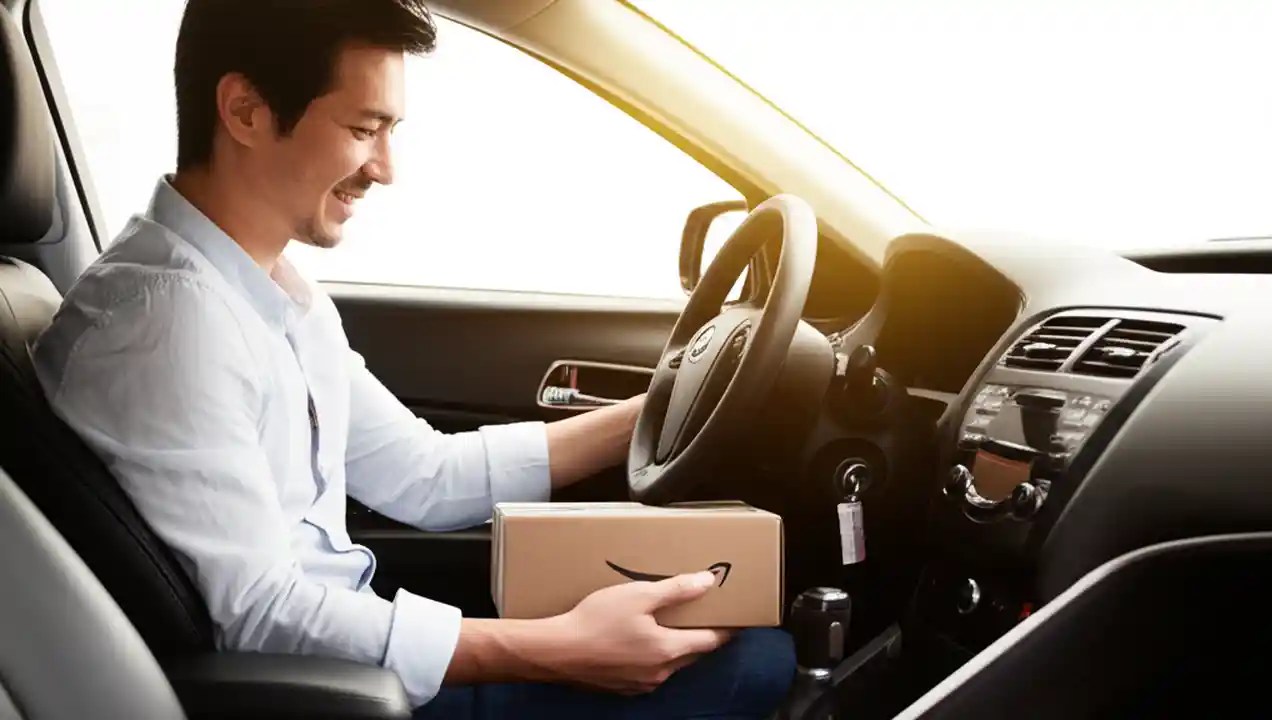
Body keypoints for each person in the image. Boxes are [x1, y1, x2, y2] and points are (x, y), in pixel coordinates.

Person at [32, 0, 796, 717]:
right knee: (754, 659)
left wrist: (660, 410)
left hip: (344, 652)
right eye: (364, 128)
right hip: (320, 692)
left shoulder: (262, 289)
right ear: (245, 111)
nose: (385, 167)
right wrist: (559, 650)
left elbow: (424, 475)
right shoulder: (165, 325)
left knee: (739, 636)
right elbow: (264, 616)